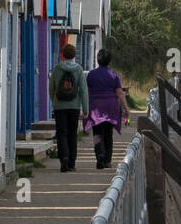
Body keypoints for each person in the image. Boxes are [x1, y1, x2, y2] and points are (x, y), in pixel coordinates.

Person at [84, 48, 129, 169]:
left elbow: (87, 92)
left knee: (97, 133)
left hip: (95, 108)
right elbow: (120, 93)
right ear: (109, 61)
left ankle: (100, 157)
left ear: (98, 60)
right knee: (108, 134)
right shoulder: (113, 75)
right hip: (110, 107)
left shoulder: (91, 75)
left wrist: (84, 107)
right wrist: (126, 109)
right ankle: (107, 160)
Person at [49, 43, 89, 172]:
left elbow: (52, 88)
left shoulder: (57, 69)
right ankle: (72, 162)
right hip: (74, 106)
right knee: (72, 134)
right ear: (74, 55)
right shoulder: (78, 69)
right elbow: (83, 90)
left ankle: (64, 159)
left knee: (61, 134)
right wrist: (85, 109)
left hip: (60, 106)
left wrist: (54, 102)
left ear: (63, 54)